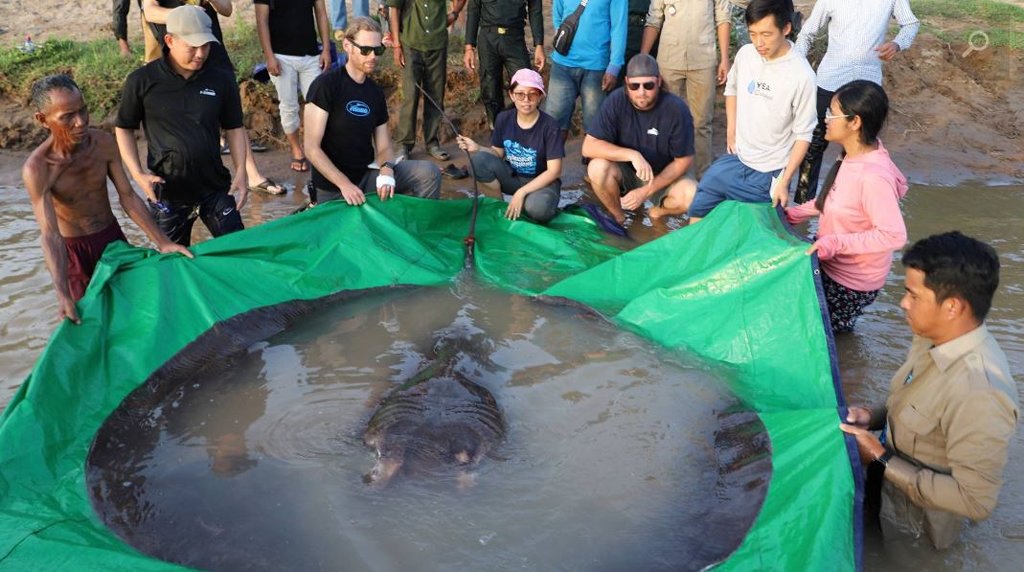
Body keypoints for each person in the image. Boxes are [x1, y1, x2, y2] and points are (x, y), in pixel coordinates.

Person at [840, 231, 1019, 550]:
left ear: (952, 307)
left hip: (914, 531)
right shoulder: (932, 336)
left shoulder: (981, 392)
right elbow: (913, 399)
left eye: (913, 295)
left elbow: (975, 502)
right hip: (883, 496)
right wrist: (872, 416)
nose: (903, 303)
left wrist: (880, 459)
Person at [23, 75, 192, 323]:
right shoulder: (38, 168)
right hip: (73, 254)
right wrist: (62, 294)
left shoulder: (103, 143)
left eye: (83, 110)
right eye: (67, 116)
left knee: (137, 309)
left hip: (111, 241)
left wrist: (163, 242)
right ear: (43, 120)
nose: (80, 122)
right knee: (87, 321)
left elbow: (128, 197)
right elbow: (50, 234)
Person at [116, 5, 249, 246]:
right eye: (192, 46)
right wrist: (138, 174)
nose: (200, 53)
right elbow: (124, 127)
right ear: (169, 40)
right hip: (168, 194)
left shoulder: (221, 79)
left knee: (238, 251)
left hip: (215, 188)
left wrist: (241, 172)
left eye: (206, 46)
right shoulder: (142, 81)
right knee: (171, 263)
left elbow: (235, 128)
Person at [785, 80, 908, 333]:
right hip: (830, 264)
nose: (826, 118)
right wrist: (798, 212)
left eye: (832, 113)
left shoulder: (873, 175)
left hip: (851, 282)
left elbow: (893, 235)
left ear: (855, 122)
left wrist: (835, 243)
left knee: (824, 338)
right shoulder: (852, 155)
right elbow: (840, 200)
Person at [686, 0, 815, 224]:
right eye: (753, 34)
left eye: (766, 34)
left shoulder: (801, 75)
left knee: (757, 231)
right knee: (699, 205)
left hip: (770, 171)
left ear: (786, 28)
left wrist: (784, 181)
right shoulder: (746, 55)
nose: (758, 43)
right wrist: (731, 130)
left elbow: (804, 134)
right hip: (738, 158)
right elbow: (732, 89)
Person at [142, 0, 286, 196]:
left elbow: (227, 9)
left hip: (211, 49)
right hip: (180, 54)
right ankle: (185, 179)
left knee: (231, 113)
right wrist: (187, 13)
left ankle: (252, 175)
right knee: (185, 114)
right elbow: (150, 12)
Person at [303, 17, 441, 205]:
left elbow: (384, 147)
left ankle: (418, 229)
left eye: (378, 50)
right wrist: (344, 184)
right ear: (348, 46)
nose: (372, 57)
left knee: (429, 173)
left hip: (365, 178)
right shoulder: (326, 86)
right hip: (333, 188)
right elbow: (311, 149)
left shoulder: (375, 92)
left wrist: (386, 169)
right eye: (365, 50)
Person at [792, 0, 919, 203]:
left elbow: (911, 23)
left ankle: (847, 204)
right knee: (814, 144)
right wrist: (797, 66)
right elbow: (807, 33)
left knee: (860, 147)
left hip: (867, 85)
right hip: (830, 81)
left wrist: (897, 44)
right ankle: (802, 204)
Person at [581, 54, 695, 230]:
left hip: (662, 175)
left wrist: (646, 192)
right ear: (626, 83)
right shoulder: (616, 100)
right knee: (596, 168)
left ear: (658, 81)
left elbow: (684, 160)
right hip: (626, 172)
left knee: (692, 194)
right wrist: (632, 155)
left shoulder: (676, 109)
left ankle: (657, 212)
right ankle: (618, 217)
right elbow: (588, 147)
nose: (641, 92)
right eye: (634, 86)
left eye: (648, 85)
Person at [455, 69, 563, 224]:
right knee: (477, 161)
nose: (526, 100)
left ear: (540, 97)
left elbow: (555, 171)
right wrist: (477, 147)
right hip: (514, 177)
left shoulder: (550, 126)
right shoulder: (504, 118)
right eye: (520, 94)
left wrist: (522, 192)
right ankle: (498, 207)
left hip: (543, 182)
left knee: (538, 209)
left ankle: (529, 202)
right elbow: (498, 154)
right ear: (512, 95)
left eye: (532, 94)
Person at [640, 0, 730, 178]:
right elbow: (654, 19)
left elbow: (723, 18)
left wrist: (725, 58)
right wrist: (643, 57)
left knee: (702, 123)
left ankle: (701, 178)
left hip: (703, 59)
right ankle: (665, 176)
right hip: (669, 59)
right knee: (664, 121)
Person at [254, 0, 333, 174]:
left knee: (318, 104)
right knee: (289, 106)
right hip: (280, 56)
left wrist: (326, 49)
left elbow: (321, 13)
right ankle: (297, 150)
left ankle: (316, 148)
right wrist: (269, 56)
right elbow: (261, 21)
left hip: (311, 53)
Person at [387, 0, 466, 161]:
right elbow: (393, 10)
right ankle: (404, 144)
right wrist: (396, 45)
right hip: (410, 43)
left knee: (436, 95)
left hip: (437, 44)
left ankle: (432, 143)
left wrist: (454, 13)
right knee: (410, 95)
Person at [544, 0, 628, 141]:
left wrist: (614, 66)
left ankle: (591, 162)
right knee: (554, 124)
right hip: (562, 64)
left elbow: (619, 27)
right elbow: (557, 14)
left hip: (596, 67)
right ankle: (550, 162)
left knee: (595, 129)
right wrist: (562, 36)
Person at [463, 0, 545, 129]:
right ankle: (496, 132)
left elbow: (535, 10)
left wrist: (539, 45)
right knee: (490, 90)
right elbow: (473, 11)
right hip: (488, 39)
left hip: (515, 39)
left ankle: (522, 131)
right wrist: (469, 48)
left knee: (526, 85)